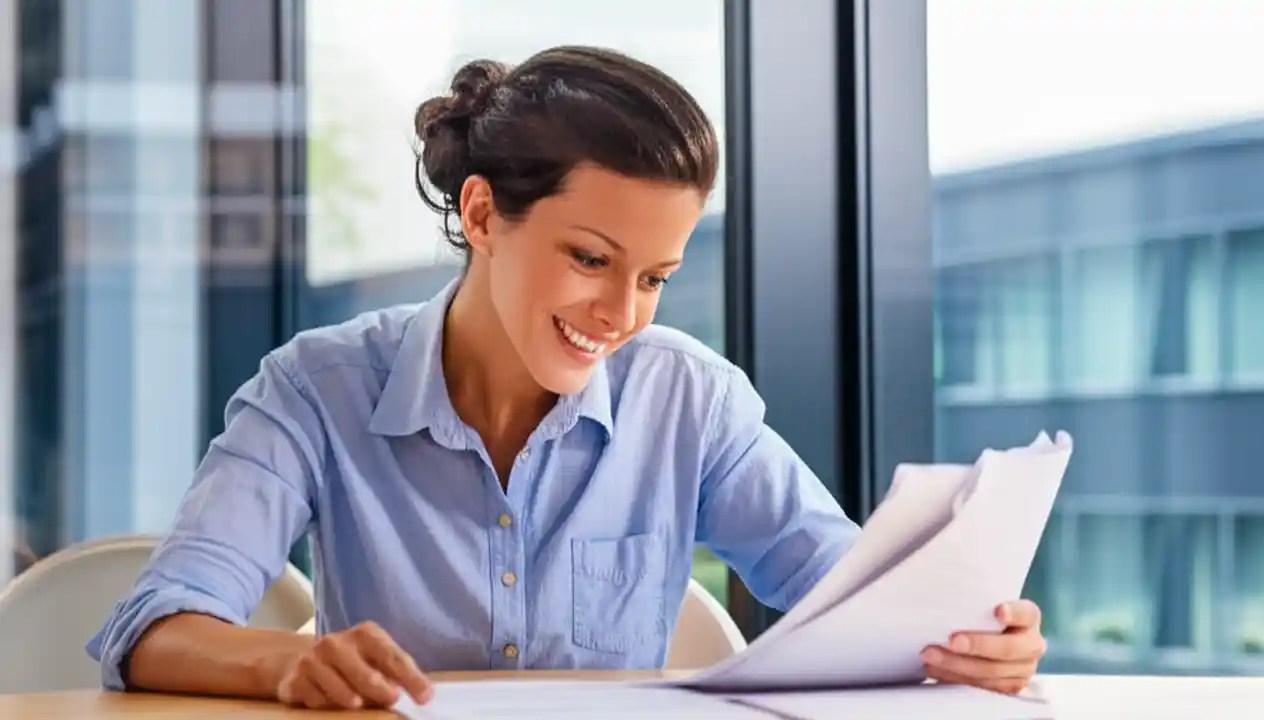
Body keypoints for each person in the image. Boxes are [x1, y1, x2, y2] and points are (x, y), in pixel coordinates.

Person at [87, 46, 1047, 710]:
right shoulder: (317, 390)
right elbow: (154, 630)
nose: (622, 314)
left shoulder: (688, 400)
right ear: (481, 214)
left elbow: (853, 597)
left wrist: (967, 641)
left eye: (655, 278)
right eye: (590, 258)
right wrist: (288, 667)